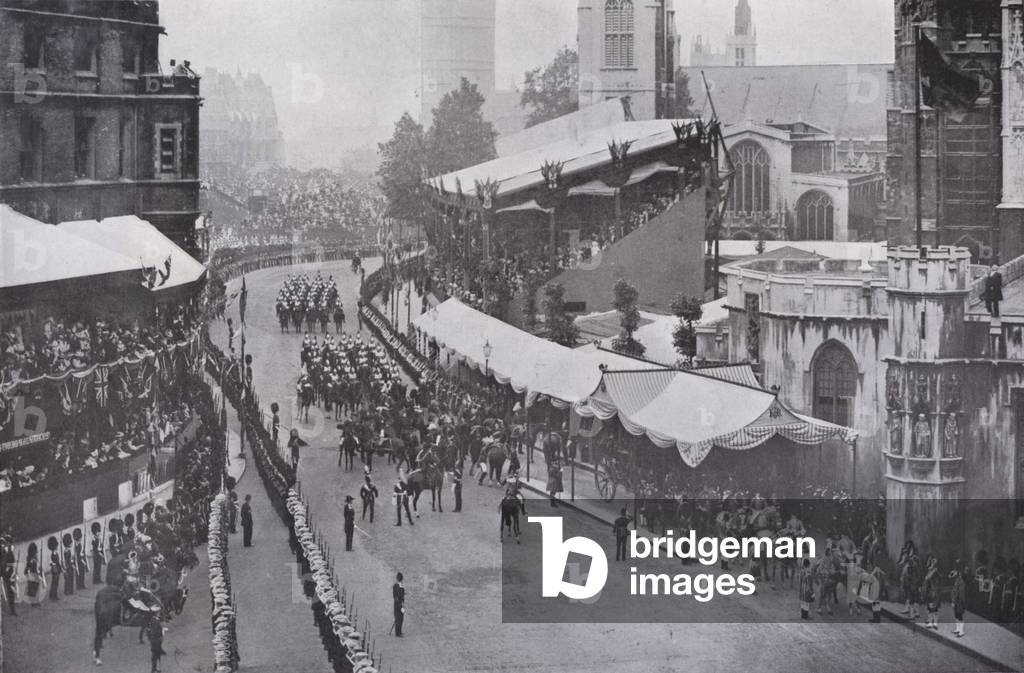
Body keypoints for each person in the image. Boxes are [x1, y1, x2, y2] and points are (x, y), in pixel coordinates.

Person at [950, 561, 967, 637]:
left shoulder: (961, 582)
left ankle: (961, 631)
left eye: (956, 573)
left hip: (959, 602)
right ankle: (957, 629)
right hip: (956, 601)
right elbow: (950, 576)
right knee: (956, 615)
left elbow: (960, 594)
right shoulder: (957, 580)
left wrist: (955, 601)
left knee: (960, 616)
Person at [392, 572, 406, 637]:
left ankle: (398, 632)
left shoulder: (395, 585)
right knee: (400, 619)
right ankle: (398, 633)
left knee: (398, 618)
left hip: (396, 604)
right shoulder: (401, 587)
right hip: (400, 605)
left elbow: (394, 596)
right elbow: (401, 597)